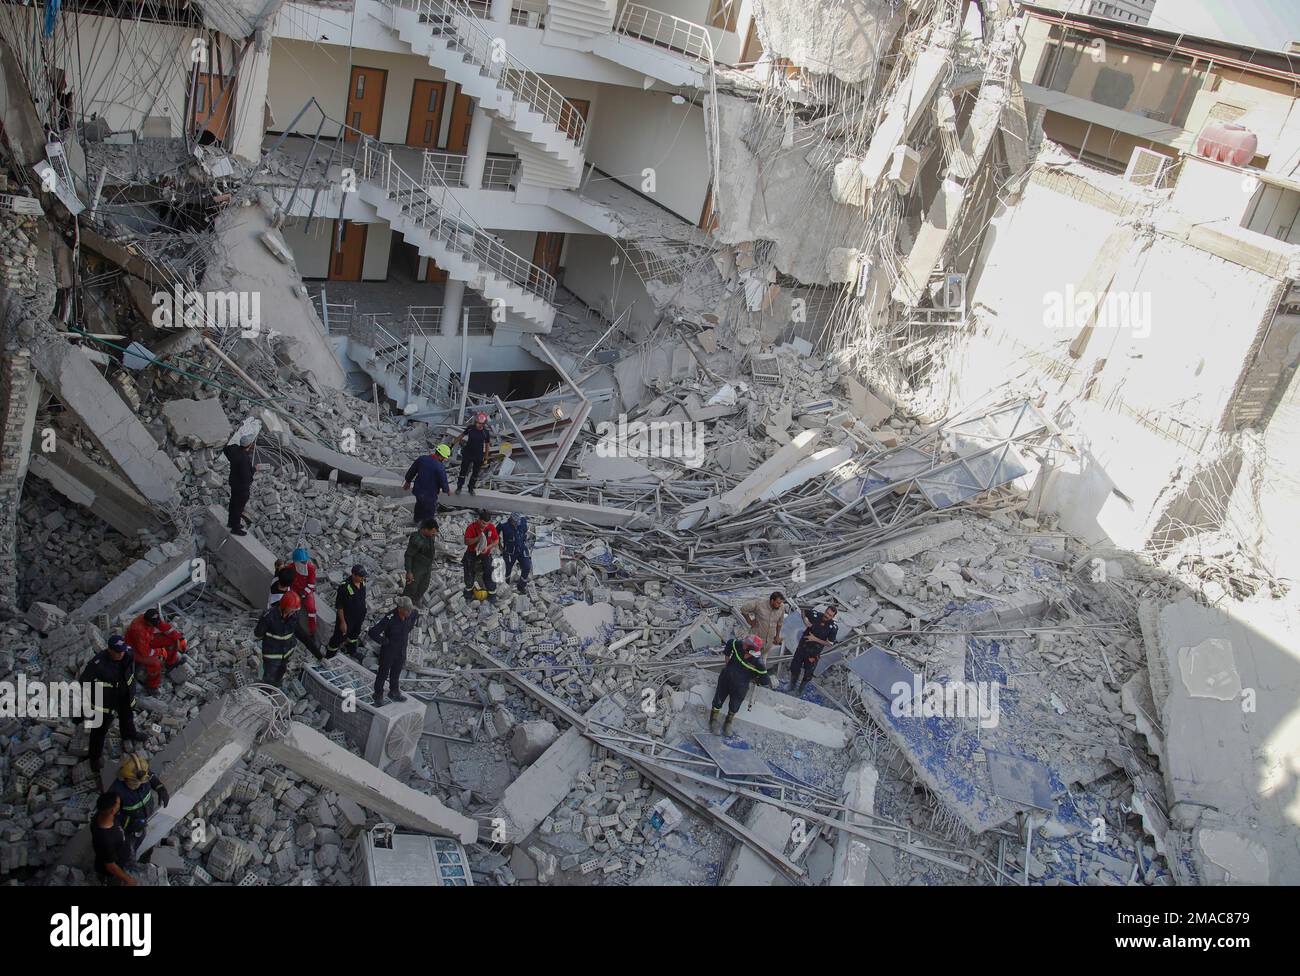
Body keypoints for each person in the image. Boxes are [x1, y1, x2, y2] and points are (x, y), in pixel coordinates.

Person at [79, 634, 147, 775]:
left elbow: (133, 668)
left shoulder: (128, 653)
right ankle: (94, 757)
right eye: (117, 652)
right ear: (109, 650)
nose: (121, 654)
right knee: (99, 731)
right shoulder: (97, 664)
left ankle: (129, 734)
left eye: (122, 651)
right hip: (106, 702)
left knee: (127, 717)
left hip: (125, 696)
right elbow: (84, 682)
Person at [253, 591, 322, 687]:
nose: (294, 611)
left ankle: (275, 688)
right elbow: (257, 633)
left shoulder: (293, 617)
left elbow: (304, 637)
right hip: (272, 656)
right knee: (269, 679)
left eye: (295, 610)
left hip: (286, 654)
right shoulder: (269, 617)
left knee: (279, 674)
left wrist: (320, 656)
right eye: (292, 609)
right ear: (284, 606)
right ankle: (267, 695)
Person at [709, 635, 770, 737]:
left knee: (734, 705)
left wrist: (754, 681)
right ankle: (713, 720)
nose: (743, 643)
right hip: (725, 678)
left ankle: (728, 723)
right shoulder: (739, 645)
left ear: (750, 650)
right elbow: (730, 643)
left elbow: (765, 680)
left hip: (740, 687)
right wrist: (727, 658)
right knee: (718, 700)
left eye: (746, 644)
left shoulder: (758, 663)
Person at [110, 754, 169, 856]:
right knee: (126, 849)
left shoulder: (143, 773)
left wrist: (160, 788)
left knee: (140, 837)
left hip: (141, 822)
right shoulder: (116, 792)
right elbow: (112, 817)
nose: (138, 784)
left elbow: (151, 777)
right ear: (124, 777)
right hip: (130, 828)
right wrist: (129, 824)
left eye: (140, 782)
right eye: (133, 782)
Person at [368, 596, 419, 706]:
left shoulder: (411, 614)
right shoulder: (390, 618)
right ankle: (378, 695)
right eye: (407, 610)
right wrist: (384, 641)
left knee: (396, 673)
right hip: (389, 651)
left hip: (401, 650)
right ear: (400, 609)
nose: (409, 612)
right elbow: (373, 632)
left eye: (410, 610)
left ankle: (394, 692)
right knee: (383, 674)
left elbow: (415, 614)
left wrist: (410, 626)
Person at [123, 608, 187, 691]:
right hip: (135, 650)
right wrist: (160, 651)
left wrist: (180, 638)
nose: (157, 624)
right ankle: (152, 686)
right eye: (154, 624)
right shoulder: (138, 630)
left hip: (147, 641)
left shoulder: (152, 619)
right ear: (148, 622)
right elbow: (145, 652)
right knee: (155, 664)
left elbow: (166, 628)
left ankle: (170, 663)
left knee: (172, 640)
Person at [788, 605, 838, 697]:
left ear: (833, 617)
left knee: (808, 674)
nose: (827, 616)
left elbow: (830, 643)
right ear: (825, 610)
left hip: (813, 653)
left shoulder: (833, 627)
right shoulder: (816, 615)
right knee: (794, 668)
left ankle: (800, 691)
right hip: (802, 648)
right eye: (827, 613)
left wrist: (815, 639)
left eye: (830, 615)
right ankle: (791, 686)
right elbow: (803, 610)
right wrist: (805, 620)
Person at [90, 792, 137, 886]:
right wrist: (128, 879)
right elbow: (110, 866)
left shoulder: (101, 816)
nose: (120, 804)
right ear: (112, 810)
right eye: (118, 803)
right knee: (114, 882)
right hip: (111, 870)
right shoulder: (106, 839)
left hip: (119, 855)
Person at [403, 445, 451, 524]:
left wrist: (407, 481)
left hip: (418, 490)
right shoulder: (440, 467)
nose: (443, 460)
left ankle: (416, 521)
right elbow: (443, 481)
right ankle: (427, 527)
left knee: (419, 505)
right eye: (444, 458)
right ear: (441, 456)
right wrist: (447, 490)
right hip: (430, 494)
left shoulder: (422, 459)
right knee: (429, 512)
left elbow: (412, 471)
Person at [328, 565, 368, 659]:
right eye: (360, 576)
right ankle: (329, 656)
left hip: (359, 616)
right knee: (338, 638)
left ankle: (351, 650)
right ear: (354, 575)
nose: (363, 578)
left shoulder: (363, 582)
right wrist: (342, 622)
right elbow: (339, 607)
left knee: (354, 634)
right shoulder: (344, 587)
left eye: (363, 576)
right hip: (347, 618)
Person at [277, 547, 319, 634]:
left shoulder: (311, 568)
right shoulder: (291, 567)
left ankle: (312, 631)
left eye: (305, 561)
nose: (305, 563)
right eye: (302, 562)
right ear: (296, 562)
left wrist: (304, 593)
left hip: (306, 591)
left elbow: (311, 584)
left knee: (311, 609)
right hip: (294, 590)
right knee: (291, 606)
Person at [223, 432, 256, 535]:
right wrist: (254, 469)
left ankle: (231, 522)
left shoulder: (234, 450)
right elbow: (247, 476)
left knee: (233, 504)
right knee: (238, 507)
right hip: (241, 487)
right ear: (249, 445)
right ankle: (235, 528)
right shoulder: (244, 459)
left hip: (234, 483)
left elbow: (226, 448)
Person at [451, 412, 492, 496]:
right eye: (477, 423)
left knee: (475, 473)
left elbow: (487, 446)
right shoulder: (470, 428)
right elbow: (461, 436)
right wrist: (451, 445)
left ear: (483, 424)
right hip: (468, 453)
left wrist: (486, 458)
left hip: (478, 455)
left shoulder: (486, 433)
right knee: (463, 471)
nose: (478, 425)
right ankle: (459, 487)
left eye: (480, 423)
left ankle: (471, 488)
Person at [462, 510, 499, 601]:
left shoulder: (491, 527)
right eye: (483, 523)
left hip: (485, 553)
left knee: (489, 572)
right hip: (471, 553)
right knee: (469, 572)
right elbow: (466, 542)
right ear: (479, 520)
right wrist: (478, 538)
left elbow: (496, 540)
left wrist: (488, 547)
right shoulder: (471, 527)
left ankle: (491, 594)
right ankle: (468, 593)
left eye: (487, 524)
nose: (484, 526)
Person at [740, 591, 785, 664]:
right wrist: (750, 621)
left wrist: (777, 636)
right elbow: (743, 609)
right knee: (750, 660)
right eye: (778, 603)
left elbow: (780, 623)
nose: (780, 605)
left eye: (780, 603)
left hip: (768, 642)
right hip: (756, 640)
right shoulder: (759, 603)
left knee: (762, 661)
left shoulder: (781, 607)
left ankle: (758, 672)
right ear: (772, 600)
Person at [403, 518, 438, 605]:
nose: (435, 534)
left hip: (427, 566)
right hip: (417, 567)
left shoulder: (429, 536)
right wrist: (409, 572)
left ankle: (414, 602)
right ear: (425, 529)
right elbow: (408, 555)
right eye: (433, 531)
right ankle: (404, 605)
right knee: (412, 587)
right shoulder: (416, 539)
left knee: (424, 586)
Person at [498, 514, 532, 588]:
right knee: (507, 570)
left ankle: (521, 586)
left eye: (518, 522)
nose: (517, 524)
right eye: (515, 522)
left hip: (522, 548)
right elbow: (495, 534)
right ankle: (506, 587)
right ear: (511, 520)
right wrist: (499, 545)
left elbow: (525, 531)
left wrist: (523, 539)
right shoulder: (503, 524)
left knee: (527, 566)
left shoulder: (523, 520)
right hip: (510, 551)